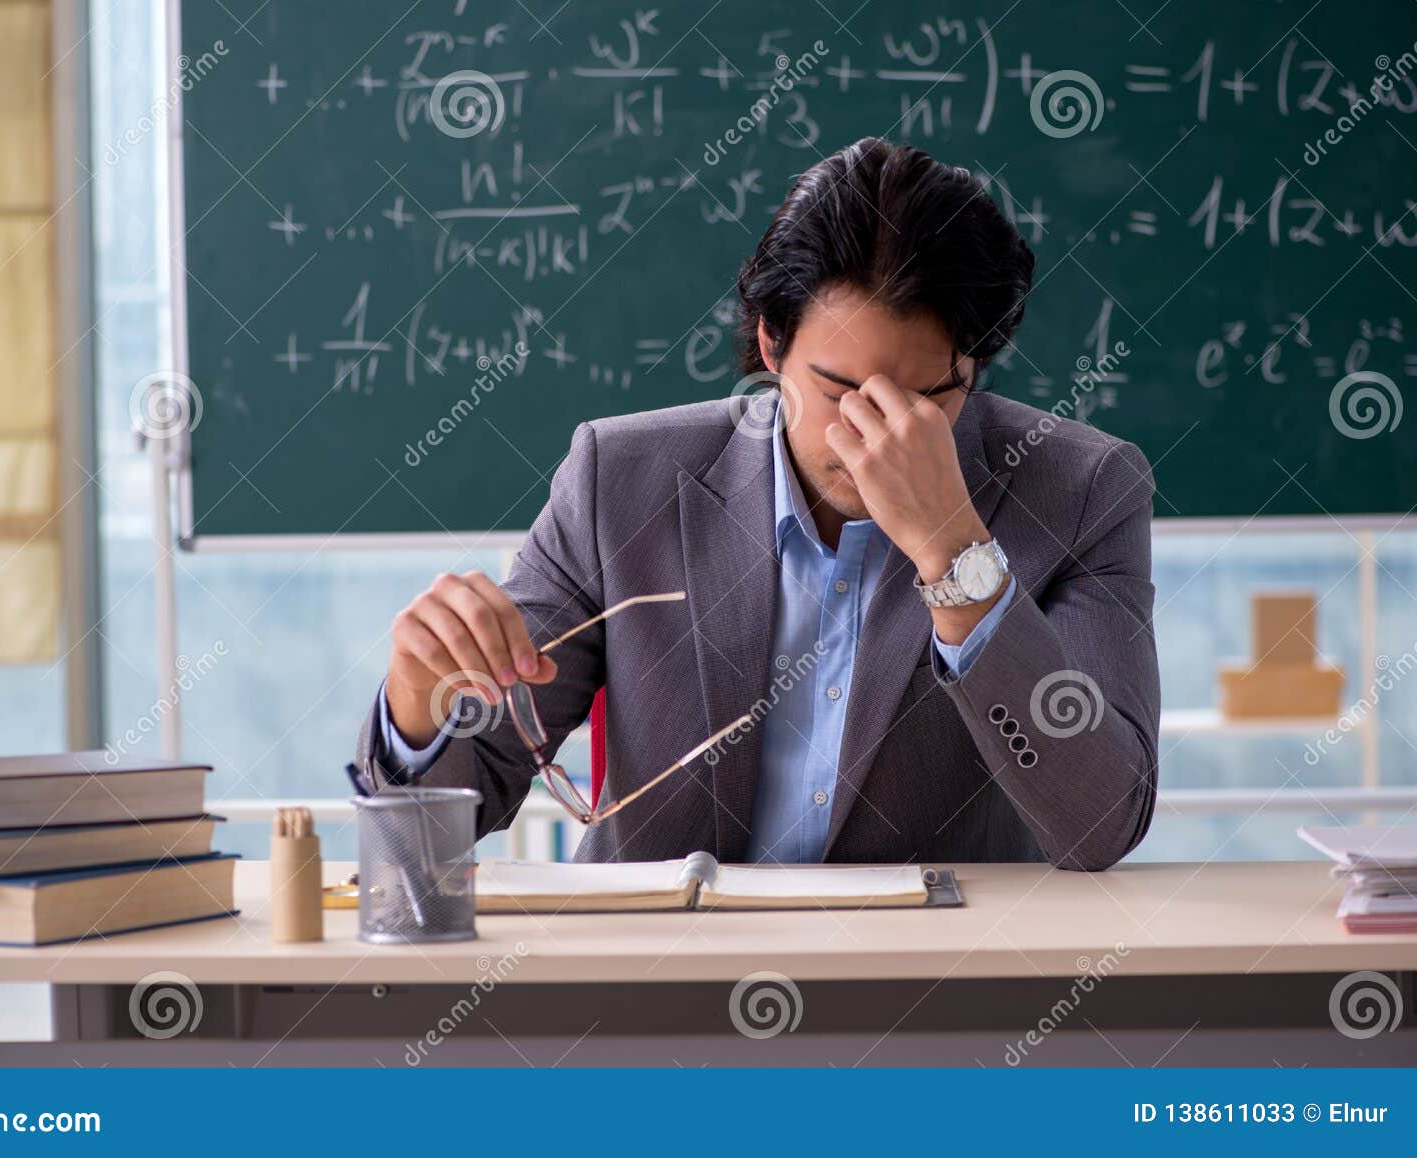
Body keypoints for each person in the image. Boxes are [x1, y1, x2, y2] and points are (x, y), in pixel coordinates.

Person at [349, 137, 1159, 870]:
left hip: (929, 996)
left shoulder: (1082, 491)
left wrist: (954, 553)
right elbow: (436, 824)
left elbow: (1099, 825)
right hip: (662, 991)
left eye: (923, 400)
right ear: (771, 341)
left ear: (974, 368)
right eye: (838, 389)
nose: (867, 437)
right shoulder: (617, 480)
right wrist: (419, 709)